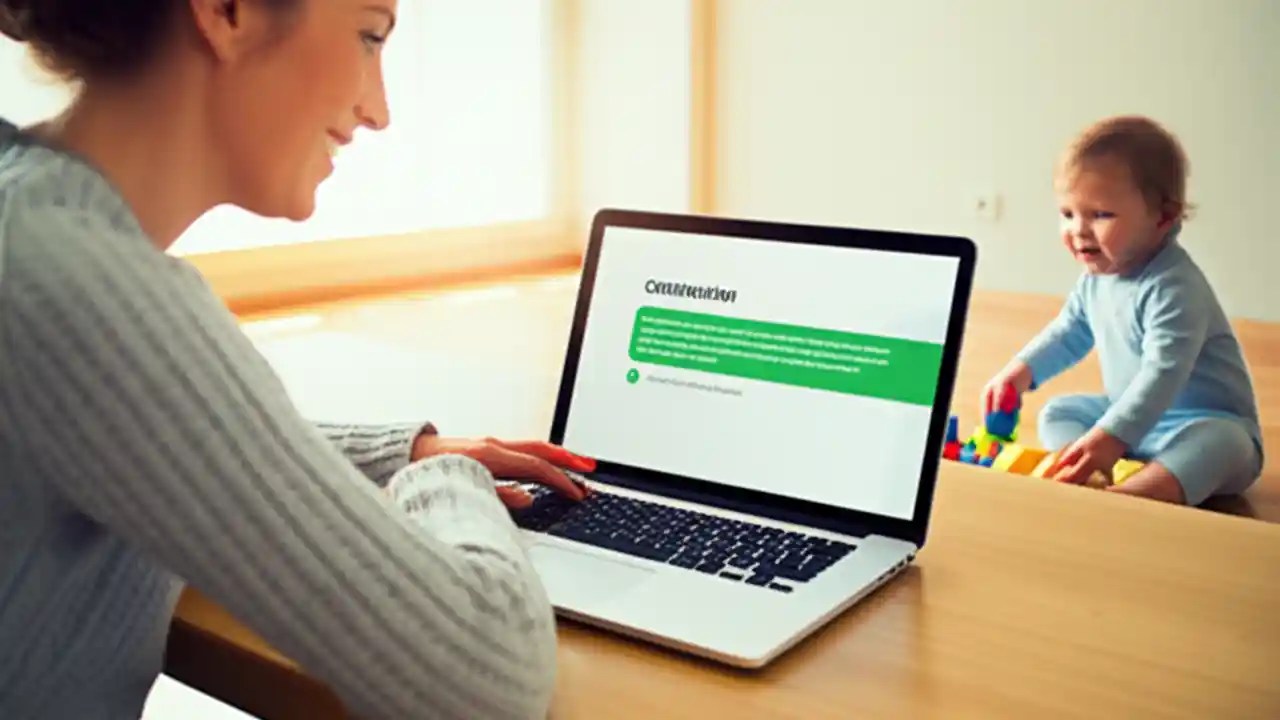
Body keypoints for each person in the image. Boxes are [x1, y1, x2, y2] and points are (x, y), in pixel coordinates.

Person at [0, 1, 591, 717]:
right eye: (368, 37)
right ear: (226, 11)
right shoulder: (81, 281)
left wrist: (402, 451)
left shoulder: (29, 217)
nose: (379, 111)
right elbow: (486, 680)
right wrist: (446, 480)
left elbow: (158, 435)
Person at [981, 115, 1264, 506]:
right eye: (1067, 213)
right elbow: (1070, 331)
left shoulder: (1175, 287)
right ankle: (1079, 469)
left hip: (1196, 423)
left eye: (1100, 215)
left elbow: (1162, 374)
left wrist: (1112, 436)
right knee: (1059, 411)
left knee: (1226, 443)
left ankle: (1141, 492)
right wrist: (1021, 371)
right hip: (1130, 419)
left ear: (1163, 217)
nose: (1078, 230)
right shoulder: (1096, 278)